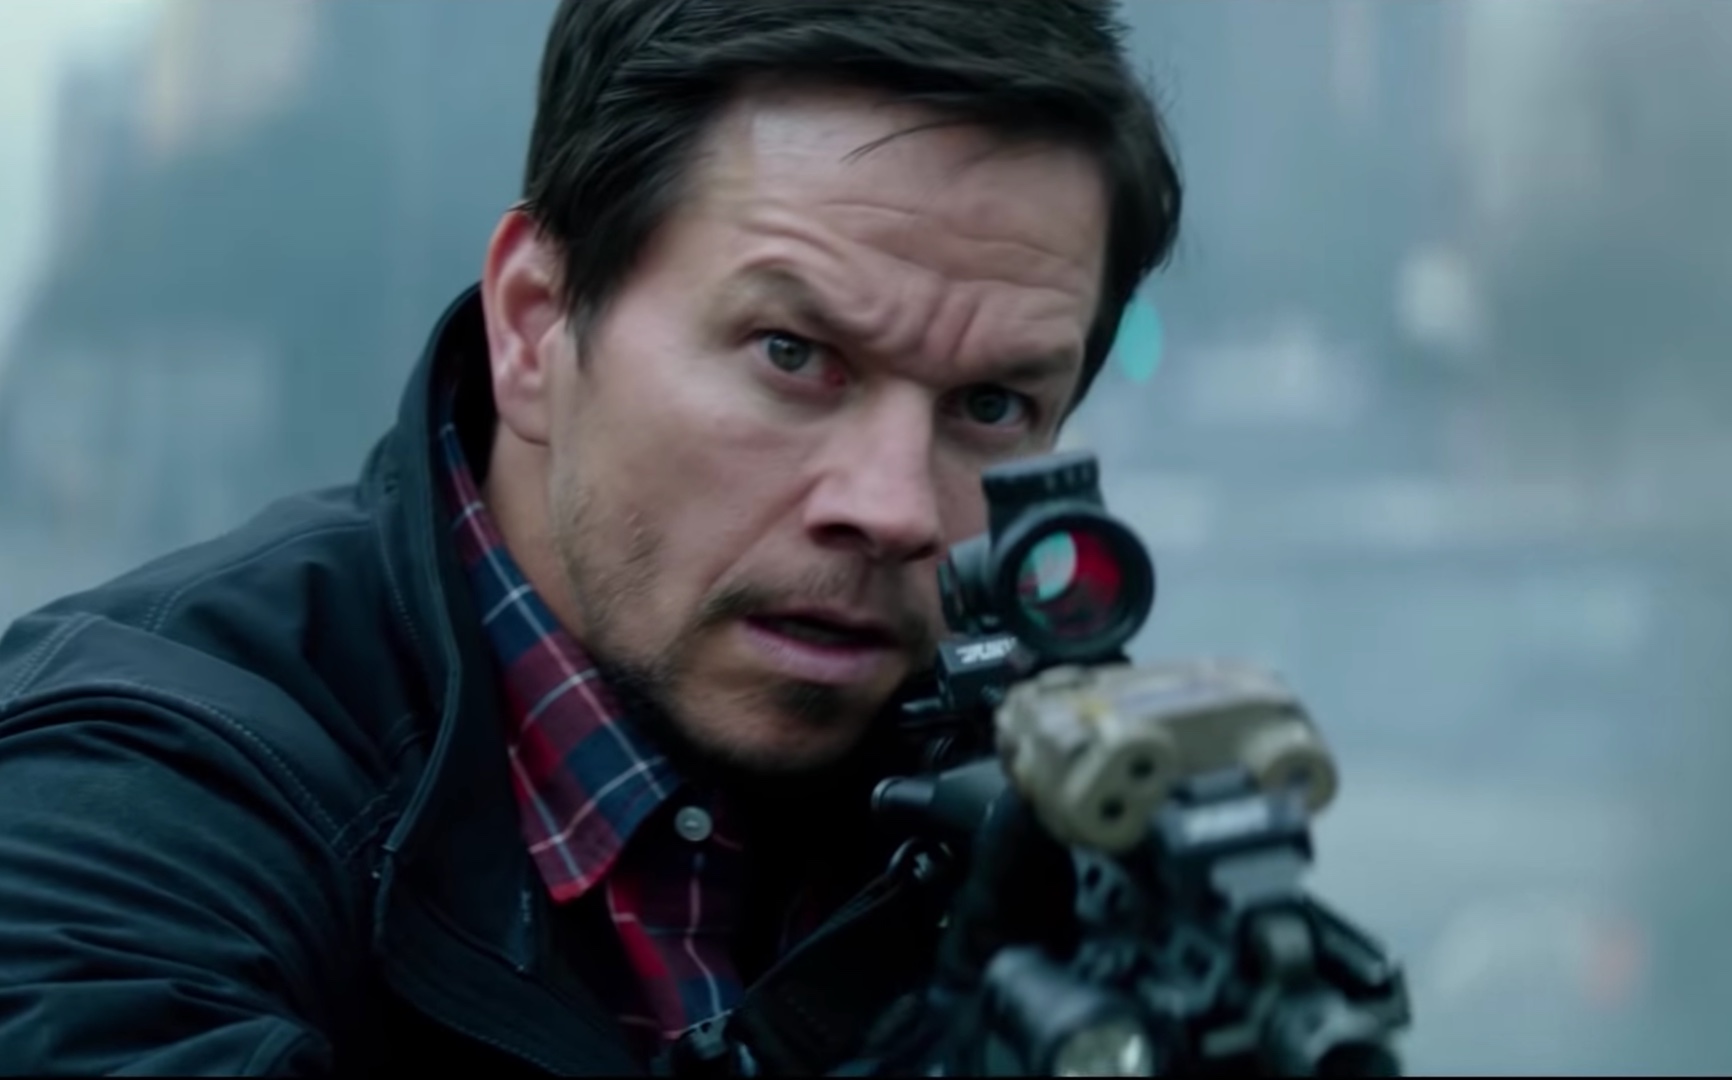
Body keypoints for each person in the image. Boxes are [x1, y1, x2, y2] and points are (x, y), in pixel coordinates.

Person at [0, 0, 1181, 1074]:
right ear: (534, 327)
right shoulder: (126, 793)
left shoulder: (1056, 800)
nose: (896, 508)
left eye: (991, 406)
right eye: (792, 354)